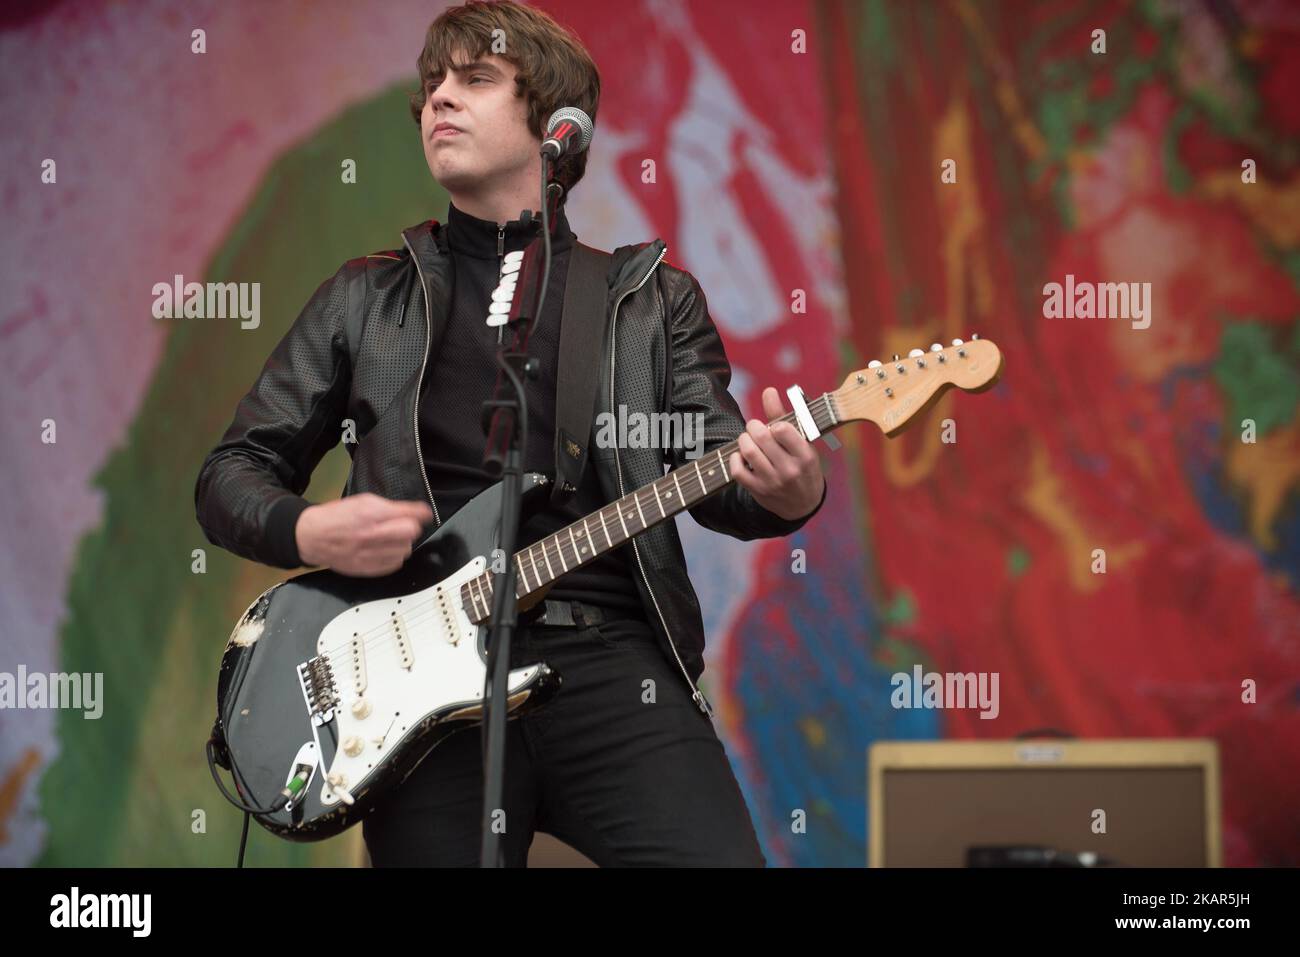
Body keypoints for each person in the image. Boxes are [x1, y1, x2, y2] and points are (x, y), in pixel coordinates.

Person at [194, 0, 826, 867]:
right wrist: (308, 526)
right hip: (420, 687)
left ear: (555, 125)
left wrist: (788, 492)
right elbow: (233, 470)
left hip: (612, 662)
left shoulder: (647, 302)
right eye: (431, 85)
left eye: (475, 79)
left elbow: (719, 474)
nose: (438, 101)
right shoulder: (364, 299)